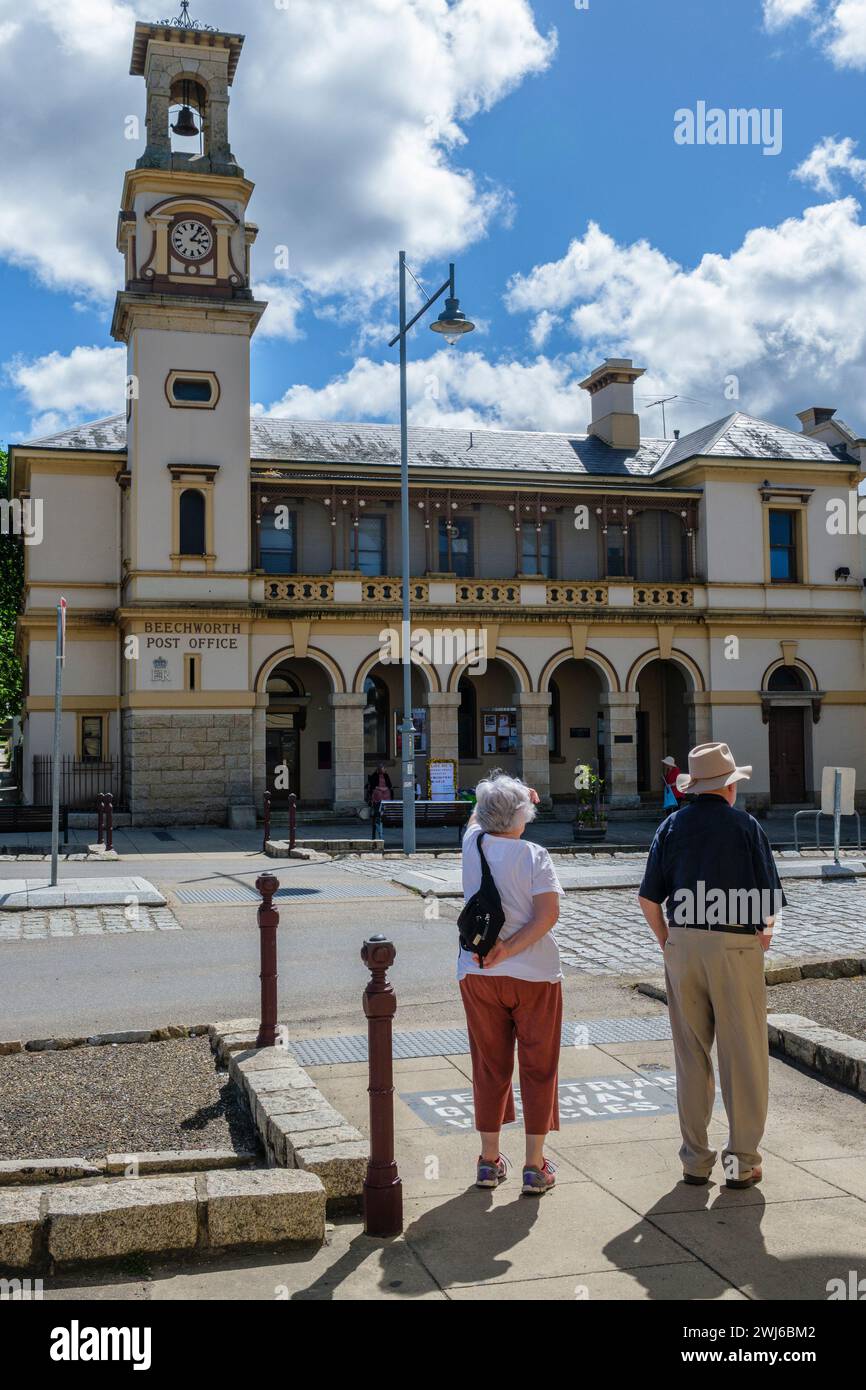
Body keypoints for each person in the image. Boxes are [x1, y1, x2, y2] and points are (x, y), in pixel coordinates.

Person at [638, 742, 786, 1190]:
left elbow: (648, 898)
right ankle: (741, 1162)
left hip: (683, 943)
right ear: (728, 787)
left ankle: (695, 1161)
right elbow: (769, 904)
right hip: (734, 946)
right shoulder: (746, 827)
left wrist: (669, 943)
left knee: (691, 1054)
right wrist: (763, 935)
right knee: (742, 1056)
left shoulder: (671, 825)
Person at [458, 774, 563, 1195]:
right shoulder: (534, 855)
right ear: (524, 816)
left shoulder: (472, 845)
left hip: (478, 973)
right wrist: (511, 949)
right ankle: (534, 1166)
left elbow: (475, 817)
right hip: (535, 975)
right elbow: (547, 916)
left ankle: (488, 1161)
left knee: (489, 1064)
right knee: (539, 1067)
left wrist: (495, 954)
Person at [365, 764, 392, 841]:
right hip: (378, 790)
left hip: (385, 789)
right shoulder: (374, 775)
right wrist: (380, 788)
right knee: (378, 793)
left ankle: (385, 809)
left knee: (387, 793)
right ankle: (379, 809)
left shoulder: (386, 776)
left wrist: (385, 788)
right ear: (380, 769)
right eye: (383, 768)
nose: (384, 769)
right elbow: (373, 786)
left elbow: (389, 785)